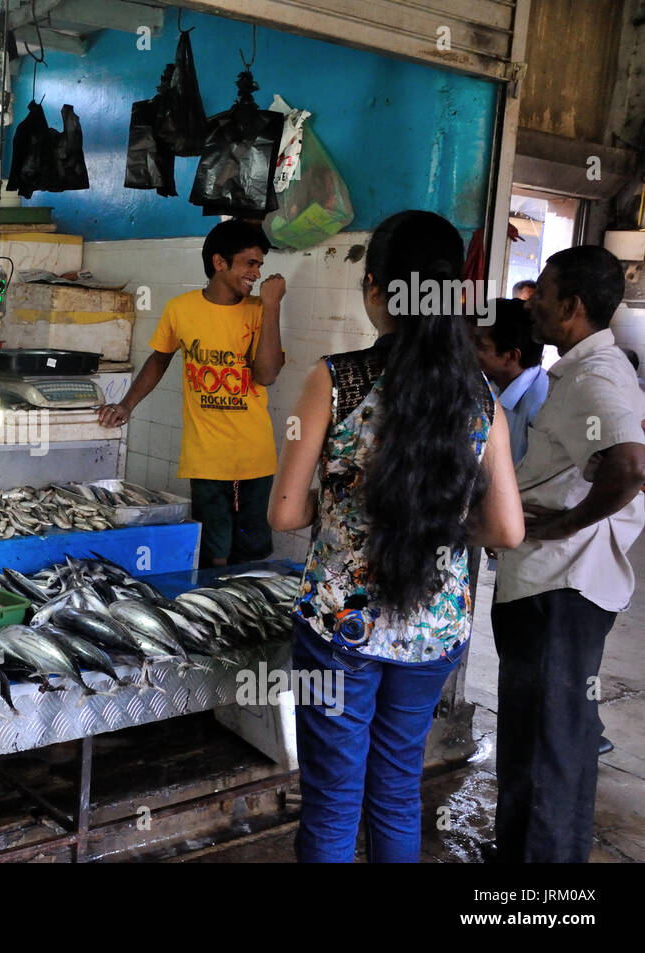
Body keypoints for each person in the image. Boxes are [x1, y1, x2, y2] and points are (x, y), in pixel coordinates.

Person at [268, 210, 524, 863]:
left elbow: (285, 514)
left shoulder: (336, 379)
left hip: (340, 630)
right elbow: (506, 528)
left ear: (377, 290)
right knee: (396, 791)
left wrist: (348, 510)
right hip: (432, 631)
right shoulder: (481, 396)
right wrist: (438, 519)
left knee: (331, 804)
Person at [491, 245, 645, 863]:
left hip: (562, 585)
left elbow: (630, 464)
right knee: (548, 733)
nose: (533, 305)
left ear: (573, 307)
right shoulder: (582, 370)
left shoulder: (595, 376)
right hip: (551, 583)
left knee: (548, 739)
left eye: (544, 293)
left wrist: (566, 525)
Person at [97, 219, 285, 567]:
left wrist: (272, 307)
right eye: (250, 263)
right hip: (205, 457)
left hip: (253, 458)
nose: (257, 274)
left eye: (260, 265)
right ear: (219, 263)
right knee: (214, 552)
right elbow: (159, 359)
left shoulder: (260, 311)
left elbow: (267, 374)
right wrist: (127, 405)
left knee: (252, 555)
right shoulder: (181, 309)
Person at [472, 298, 549, 463]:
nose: (472, 352)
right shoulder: (492, 384)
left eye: (480, 345)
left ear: (511, 357)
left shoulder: (542, 406)